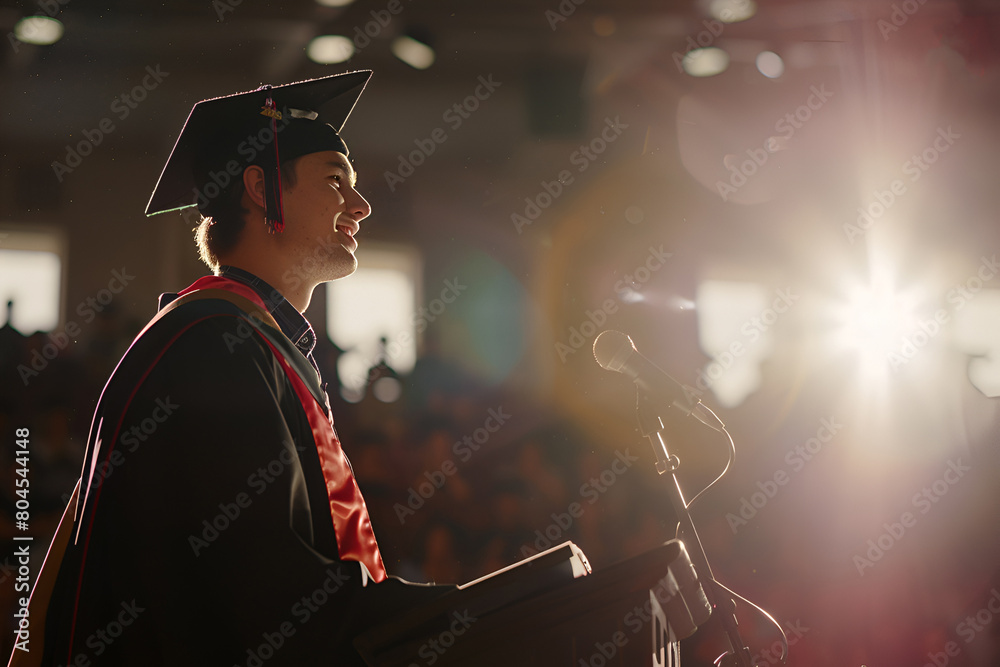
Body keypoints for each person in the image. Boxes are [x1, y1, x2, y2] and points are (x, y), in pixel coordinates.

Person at [19, 70, 452, 667]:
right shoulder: (212, 345)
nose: (362, 204)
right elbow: (265, 586)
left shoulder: (240, 337)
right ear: (259, 185)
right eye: (335, 181)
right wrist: (448, 616)